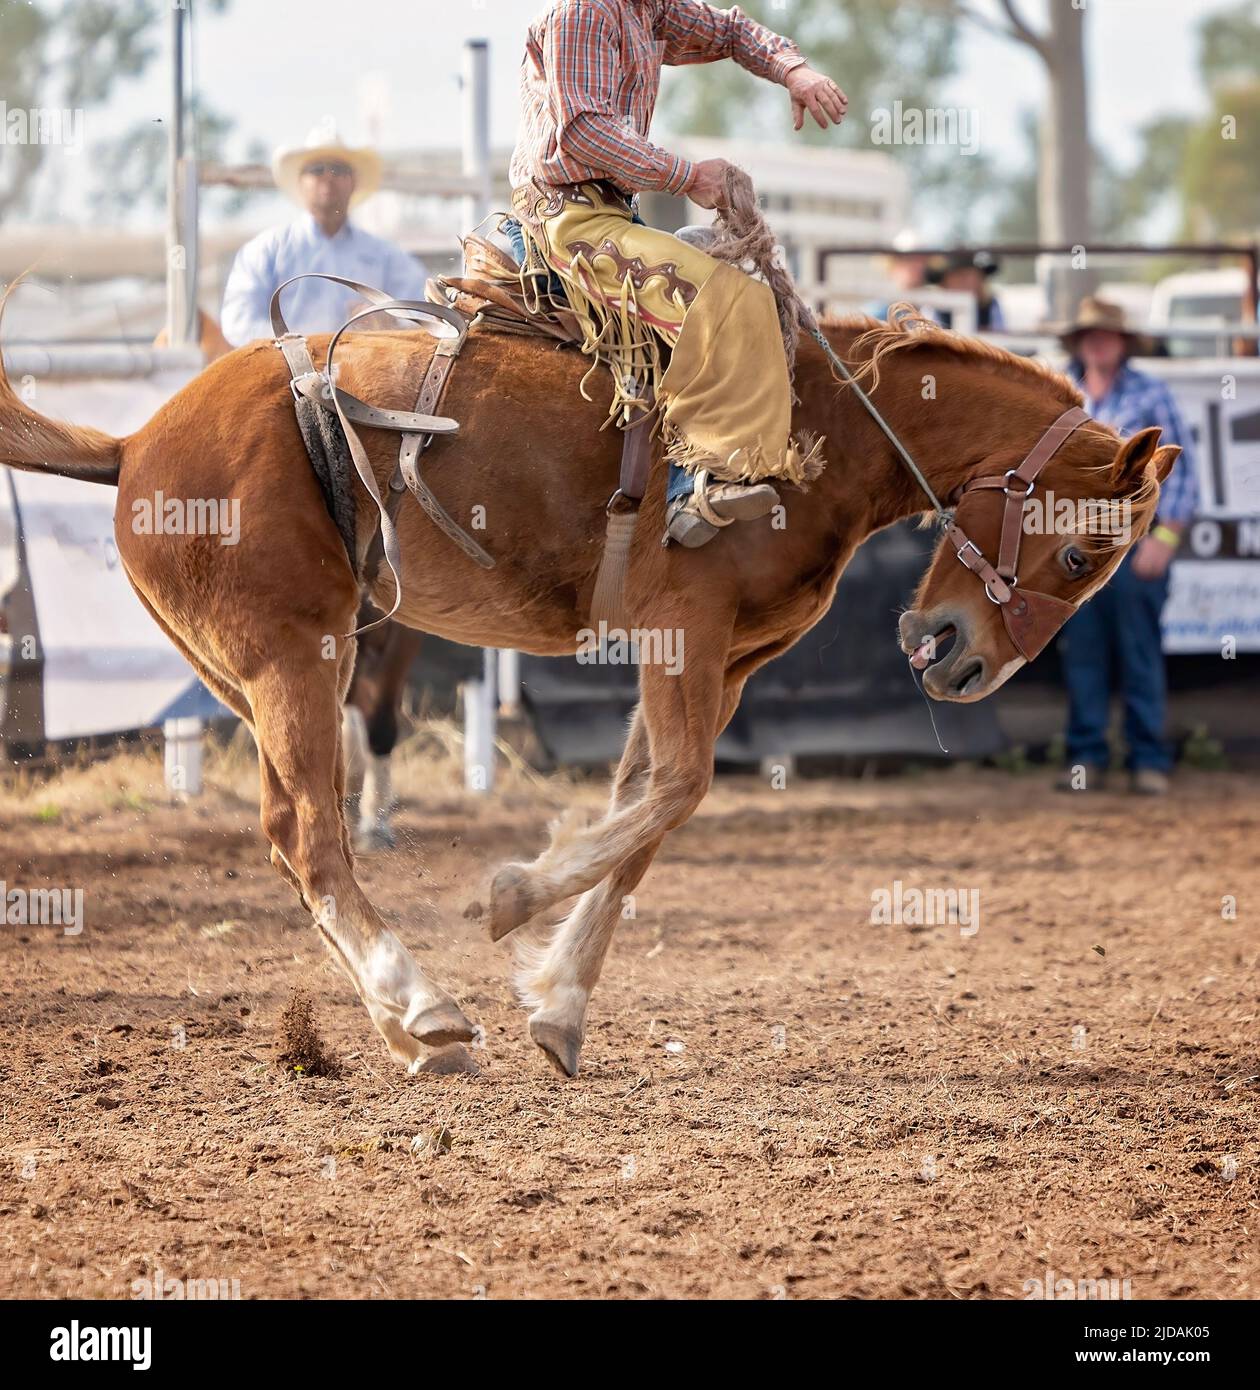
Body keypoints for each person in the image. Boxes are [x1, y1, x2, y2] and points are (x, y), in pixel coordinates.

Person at [504, 0, 846, 548]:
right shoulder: (585, 12)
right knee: (730, 300)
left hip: (604, 214)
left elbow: (729, 30)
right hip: (568, 221)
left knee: (718, 289)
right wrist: (687, 176)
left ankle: (700, 478)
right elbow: (585, 132)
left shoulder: (648, 10)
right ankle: (700, 485)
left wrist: (791, 68)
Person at [1055, 297, 1199, 796]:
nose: (1098, 342)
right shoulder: (1060, 392)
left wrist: (1163, 539)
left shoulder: (1151, 393)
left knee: (1139, 653)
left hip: (1135, 545)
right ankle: (1086, 759)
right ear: (1078, 341)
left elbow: (1179, 474)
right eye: (1090, 334)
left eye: (1107, 334)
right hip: (1078, 550)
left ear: (1122, 342)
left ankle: (1147, 759)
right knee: (1083, 654)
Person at [221, 128, 430, 346]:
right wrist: (296, 347)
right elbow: (238, 322)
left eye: (338, 169)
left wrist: (390, 323)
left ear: (353, 182)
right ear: (301, 182)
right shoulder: (267, 249)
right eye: (317, 169)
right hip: (286, 374)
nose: (328, 177)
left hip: (362, 375)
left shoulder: (386, 255)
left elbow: (425, 313)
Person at [928, 249, 1005, 331]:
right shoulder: (934, 309)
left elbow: (999, 335)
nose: (965, 281)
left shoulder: (990, 307)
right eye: (959, 275)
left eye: (970, 275)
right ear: (944, 282)